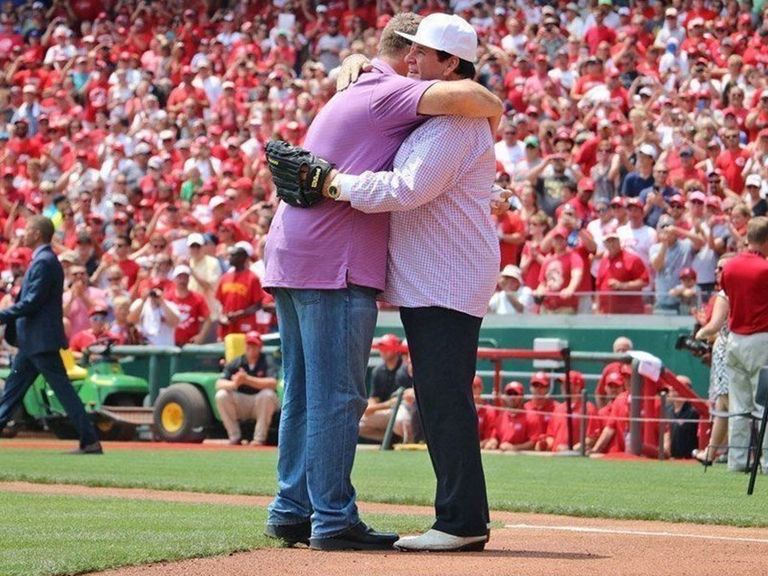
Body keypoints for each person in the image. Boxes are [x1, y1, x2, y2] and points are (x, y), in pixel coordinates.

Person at [263, 13, 501, 552]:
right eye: (411, 51)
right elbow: (474, 108)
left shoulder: (375, 86)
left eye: (426, 54)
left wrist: (333, 180)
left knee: (306, 393)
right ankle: (331, 518)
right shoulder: (398, 93)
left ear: (450, 65)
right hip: (337, 261)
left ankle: (293, 509)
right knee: (338, 395)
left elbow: (424, 169)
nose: (415, 61)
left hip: (303, 253)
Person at [0, 216, 102, 454]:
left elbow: (32, 301)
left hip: (40, 342)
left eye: (28, 230)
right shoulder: (43, 260)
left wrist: (3, 315)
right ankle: (90, 440)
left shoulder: (44, 261)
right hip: (34, 343)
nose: (23, 234)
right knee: (13, 391)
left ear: (37, 234)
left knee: (59, 392)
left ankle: (90, 440)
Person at [720, 216, 768, 473]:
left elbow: (727, 294)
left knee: (739, 406)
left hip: (735, 339)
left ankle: (736, 463)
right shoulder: (764, 269)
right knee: (764, 406)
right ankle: (767, 462)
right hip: (761, 339)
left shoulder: (729, 267)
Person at [214, 331, 280, 446]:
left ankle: (259, 438)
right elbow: (219, 383)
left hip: (259, 403)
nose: (251, 348)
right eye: (249, 345)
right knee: (221, 395)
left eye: (254, 345)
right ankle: (234, 436)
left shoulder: (267, 361)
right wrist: (235, 383)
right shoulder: (238, 361)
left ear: (260, 347)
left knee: (267, 395)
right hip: (241, 402)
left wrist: (247, 379)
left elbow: (272, 383)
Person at [358, 334, 414, 442]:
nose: (383, 351)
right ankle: (392, 439)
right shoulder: (378, 371)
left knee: (400, 419)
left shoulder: (403, 369)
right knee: (358, 424)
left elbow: (400, 401)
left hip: (402, 410)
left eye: (386, 348)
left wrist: (376, 407)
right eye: (381, 348)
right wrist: (371, 406)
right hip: (387, 411)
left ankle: (405, 442)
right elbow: (375, 397)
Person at [215, 242, 264, 338]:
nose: (230, 257)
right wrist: (220, 317)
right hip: (227, 326)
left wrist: (240, 314)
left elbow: (258, 305)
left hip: (245, 326)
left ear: (242, 258)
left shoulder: (252, 278)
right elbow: (218, 303)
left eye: (233, 255)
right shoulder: (225, 278)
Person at [595, 231, 649, 314]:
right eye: (608, 241)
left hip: (629, 313)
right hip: (607, 313)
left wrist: (622, 285)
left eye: (614, 240)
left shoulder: (632, 259)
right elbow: (599, 287)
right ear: (605, 244)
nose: (611, 244)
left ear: (619, 241)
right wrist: (597, 308)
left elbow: (644, 281)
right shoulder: (604, 261)